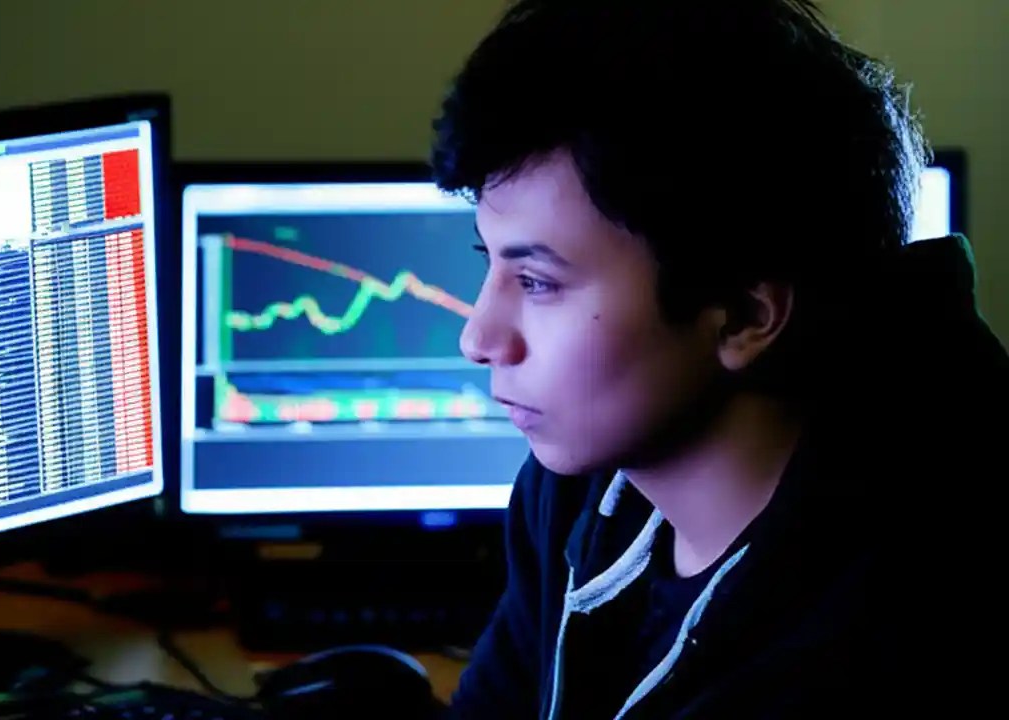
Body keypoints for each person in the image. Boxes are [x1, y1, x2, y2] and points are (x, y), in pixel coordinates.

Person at [431, 1, 1008, 718]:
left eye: (539, 282)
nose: (480, 339)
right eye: (490, 264)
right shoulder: (576, 494)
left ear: (744, 315)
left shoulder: (911, 633)